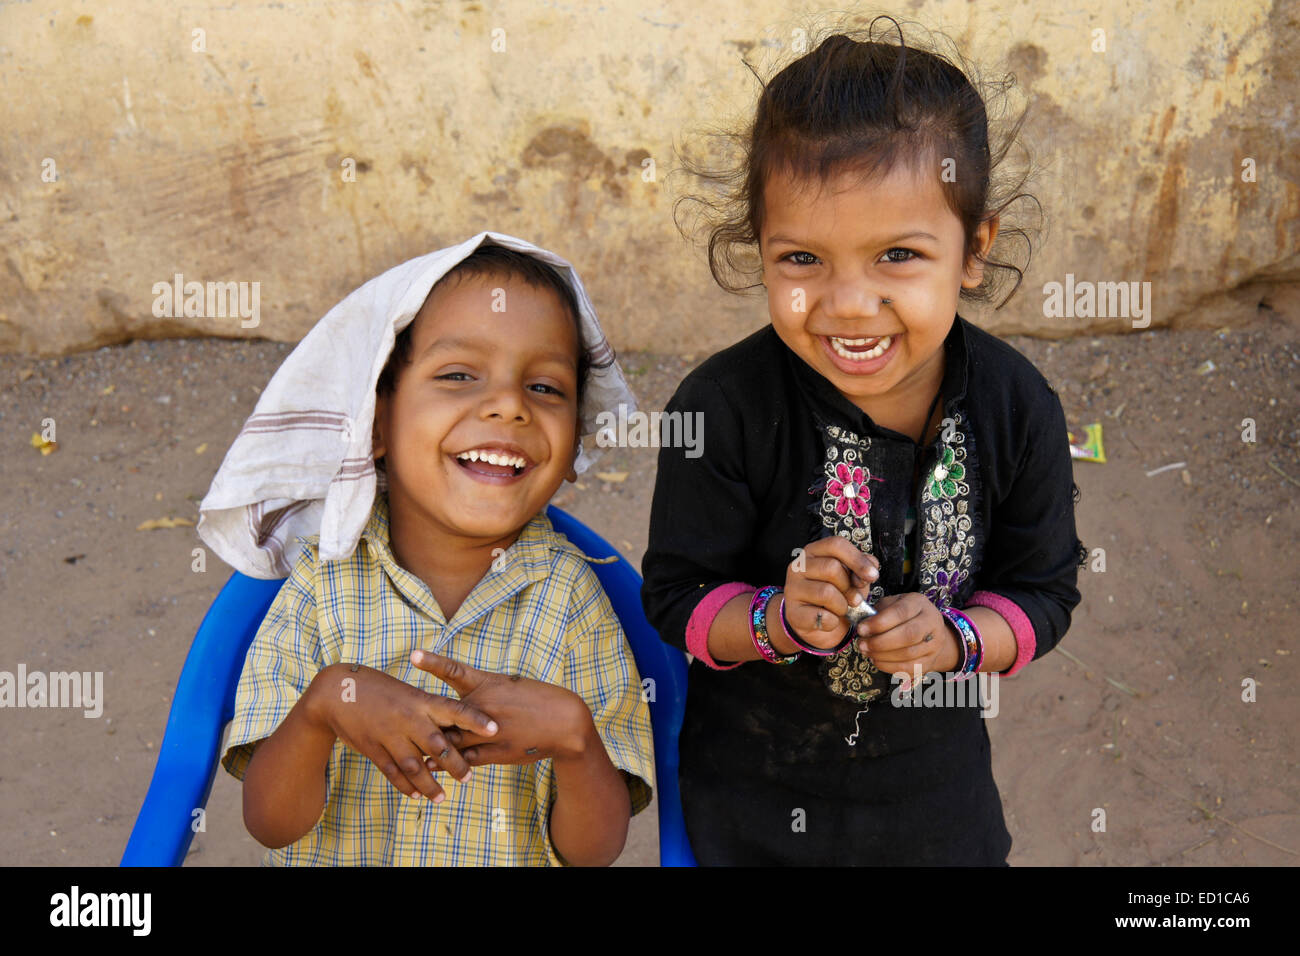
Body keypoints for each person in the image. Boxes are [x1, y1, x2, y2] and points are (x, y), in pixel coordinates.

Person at [641, 23, 1083, 865]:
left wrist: (956, 640)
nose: (847, 303)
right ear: (760, 249)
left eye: (898, 255)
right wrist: (776, 619)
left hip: (936, 806)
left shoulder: (1017, 409)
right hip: (753, 801)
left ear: (973, 250)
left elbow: (1043, 596)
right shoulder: (721, 409)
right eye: (802, 258)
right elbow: (677, 599)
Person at [210, 238, 654, 865]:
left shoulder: (572, 600)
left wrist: (575, 741)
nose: (510, 406)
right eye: (459, 376)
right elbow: (270, 824)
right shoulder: (322, 585)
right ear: (375, 421)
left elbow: (593, 853)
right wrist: (325, 706)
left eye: (545, 387)